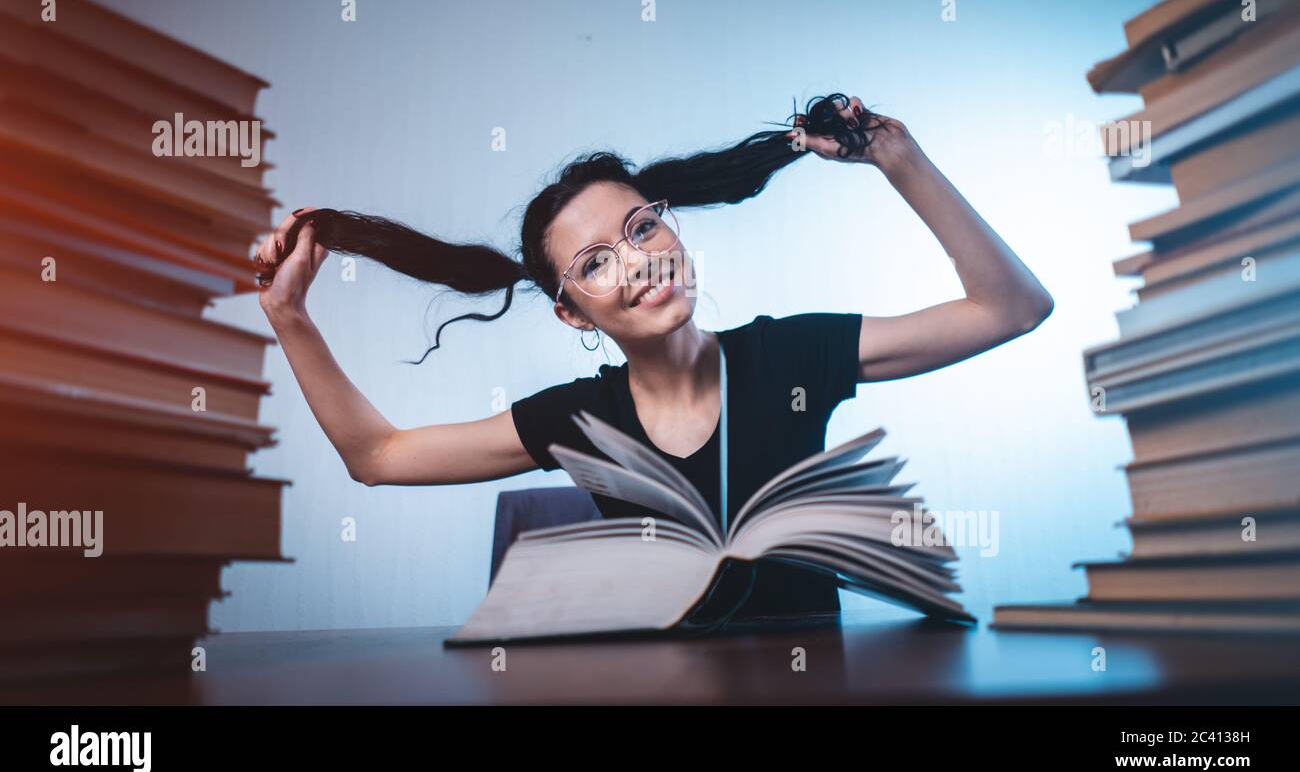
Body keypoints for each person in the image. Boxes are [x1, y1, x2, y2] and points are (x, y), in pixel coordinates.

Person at [253, 93, 1053, 618]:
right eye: (595, 261)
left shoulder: (790, 355)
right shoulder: (577, 419)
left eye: (642, 228)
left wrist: (897, 158)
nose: (637, 261)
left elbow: (1011, 308)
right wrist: (288, 315)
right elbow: (377, 455)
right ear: (572, 314)